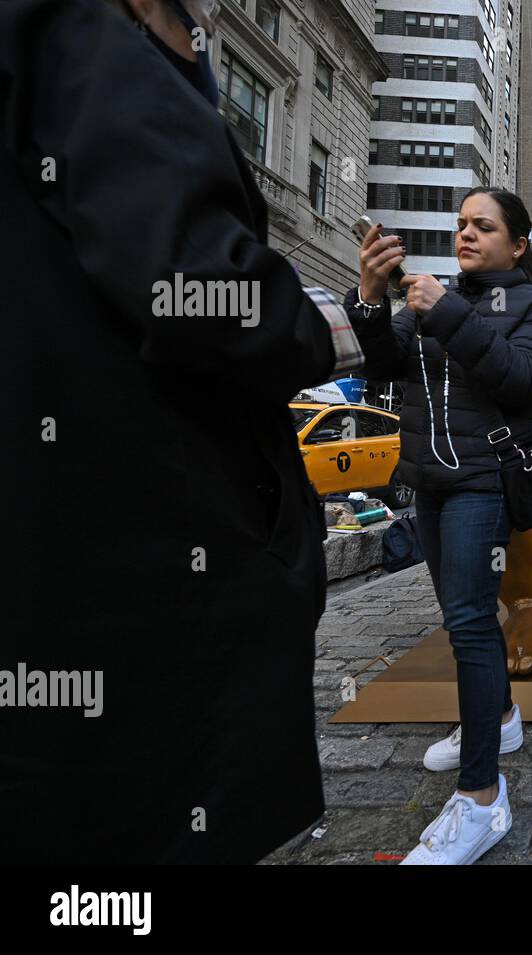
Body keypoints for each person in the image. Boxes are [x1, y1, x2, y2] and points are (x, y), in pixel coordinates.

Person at [0, 0, 366, 863]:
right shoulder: (84, 40)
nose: (203, 44)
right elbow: (199, 289)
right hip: (139, 592)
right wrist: (330, 326)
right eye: (191, 32)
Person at [345, 187, 532, 865]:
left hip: (483, 482)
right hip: (430, 484)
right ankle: (498, 720)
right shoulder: (428, 298)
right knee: (458, 613)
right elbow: (384, 368)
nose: (466, 234)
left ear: (518, 244)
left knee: (472, 620)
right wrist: (369, 295)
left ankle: (480, 799)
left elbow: (523, 377)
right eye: (461, 224)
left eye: (484, 226)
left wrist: (446, 311)